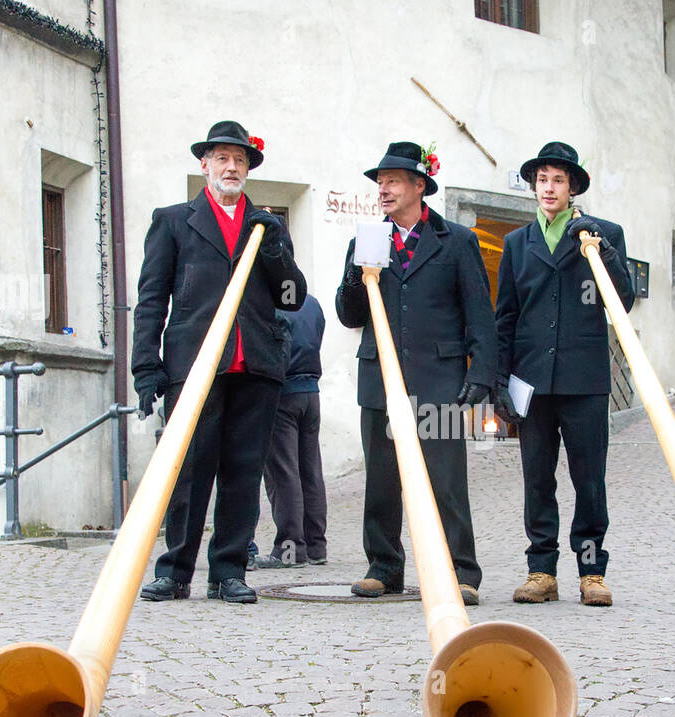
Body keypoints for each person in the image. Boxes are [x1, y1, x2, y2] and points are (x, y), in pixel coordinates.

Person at [132, 120, 306, 604]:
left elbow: (291, 297)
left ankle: (228, 570)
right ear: (204, 164)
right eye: (222, 158)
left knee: (244, 471)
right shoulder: (172, 221)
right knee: (188, 470)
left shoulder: (266, 224)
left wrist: (274, 250)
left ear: (248, 168)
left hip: (255, 368)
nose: (232, 167)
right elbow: (151, 300)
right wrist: (146, 366)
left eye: (240, 160)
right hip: (194, 366)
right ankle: (176, 570)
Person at [335, 141, 495, 606]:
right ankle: (383, 567)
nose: (382, 189)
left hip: (439, 378)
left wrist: (481, 373)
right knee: (382, 478)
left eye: (392, 181)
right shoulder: (364, 240)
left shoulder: (457, 241)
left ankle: (460, 571)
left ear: (419, 186)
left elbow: (479, 314)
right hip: (379, 379)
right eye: (379, 182)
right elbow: (349, 315)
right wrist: (354, 275)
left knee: (445, 479)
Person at [493, 141, 635, 606]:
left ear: (572, 187)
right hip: (532, 380)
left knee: (588, 477)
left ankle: (592, 572)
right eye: (542, 179)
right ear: (534, 186)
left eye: (558, 180)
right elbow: (506, 317)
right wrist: (500, 380)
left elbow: (624, 298)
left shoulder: (601, 234)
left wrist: (602, 247)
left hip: (584, 378)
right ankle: (541, 571)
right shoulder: (517, 244)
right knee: (537, 478)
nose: (548, 188)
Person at [254, 293, 328, 568]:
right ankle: (316, 546)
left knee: (283, 473)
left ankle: (290, 549)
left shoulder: (268, 302)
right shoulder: (311, 302)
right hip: (311, 392)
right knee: (310, 471)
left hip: (282, 392)